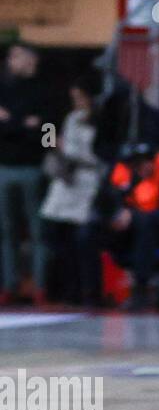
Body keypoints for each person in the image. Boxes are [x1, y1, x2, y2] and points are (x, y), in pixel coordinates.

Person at [96, 141, 159, 312]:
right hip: (140, 231)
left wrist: (133, 217)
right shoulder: (132, 176)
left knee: (144, 224)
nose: (138, 169)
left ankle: (140, 291)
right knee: (93, 227)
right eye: (135, 165)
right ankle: (92, 294)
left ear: (152, 161)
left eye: (141, 164)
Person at [39, 74, 104, 306]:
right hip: (66, 181)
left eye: (80, 98)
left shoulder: (103, 121)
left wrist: (69, 150)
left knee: (82, 240)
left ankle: (88, 291)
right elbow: (49, 141)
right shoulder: (71, 118)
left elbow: (96, 155)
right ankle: (66, 289)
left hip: (88, 182)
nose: (77, 103)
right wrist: (55, 145)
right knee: (55, 234)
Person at [0, 42, 52, 305]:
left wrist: (11, 123)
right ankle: (8, 285)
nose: (14, 61)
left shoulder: (43, 91)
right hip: (4, 167)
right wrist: (25, 125)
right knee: (5, 231)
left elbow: (49, 132)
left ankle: (39, 286)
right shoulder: (2, 88)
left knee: (37, 231)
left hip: (34, 168)